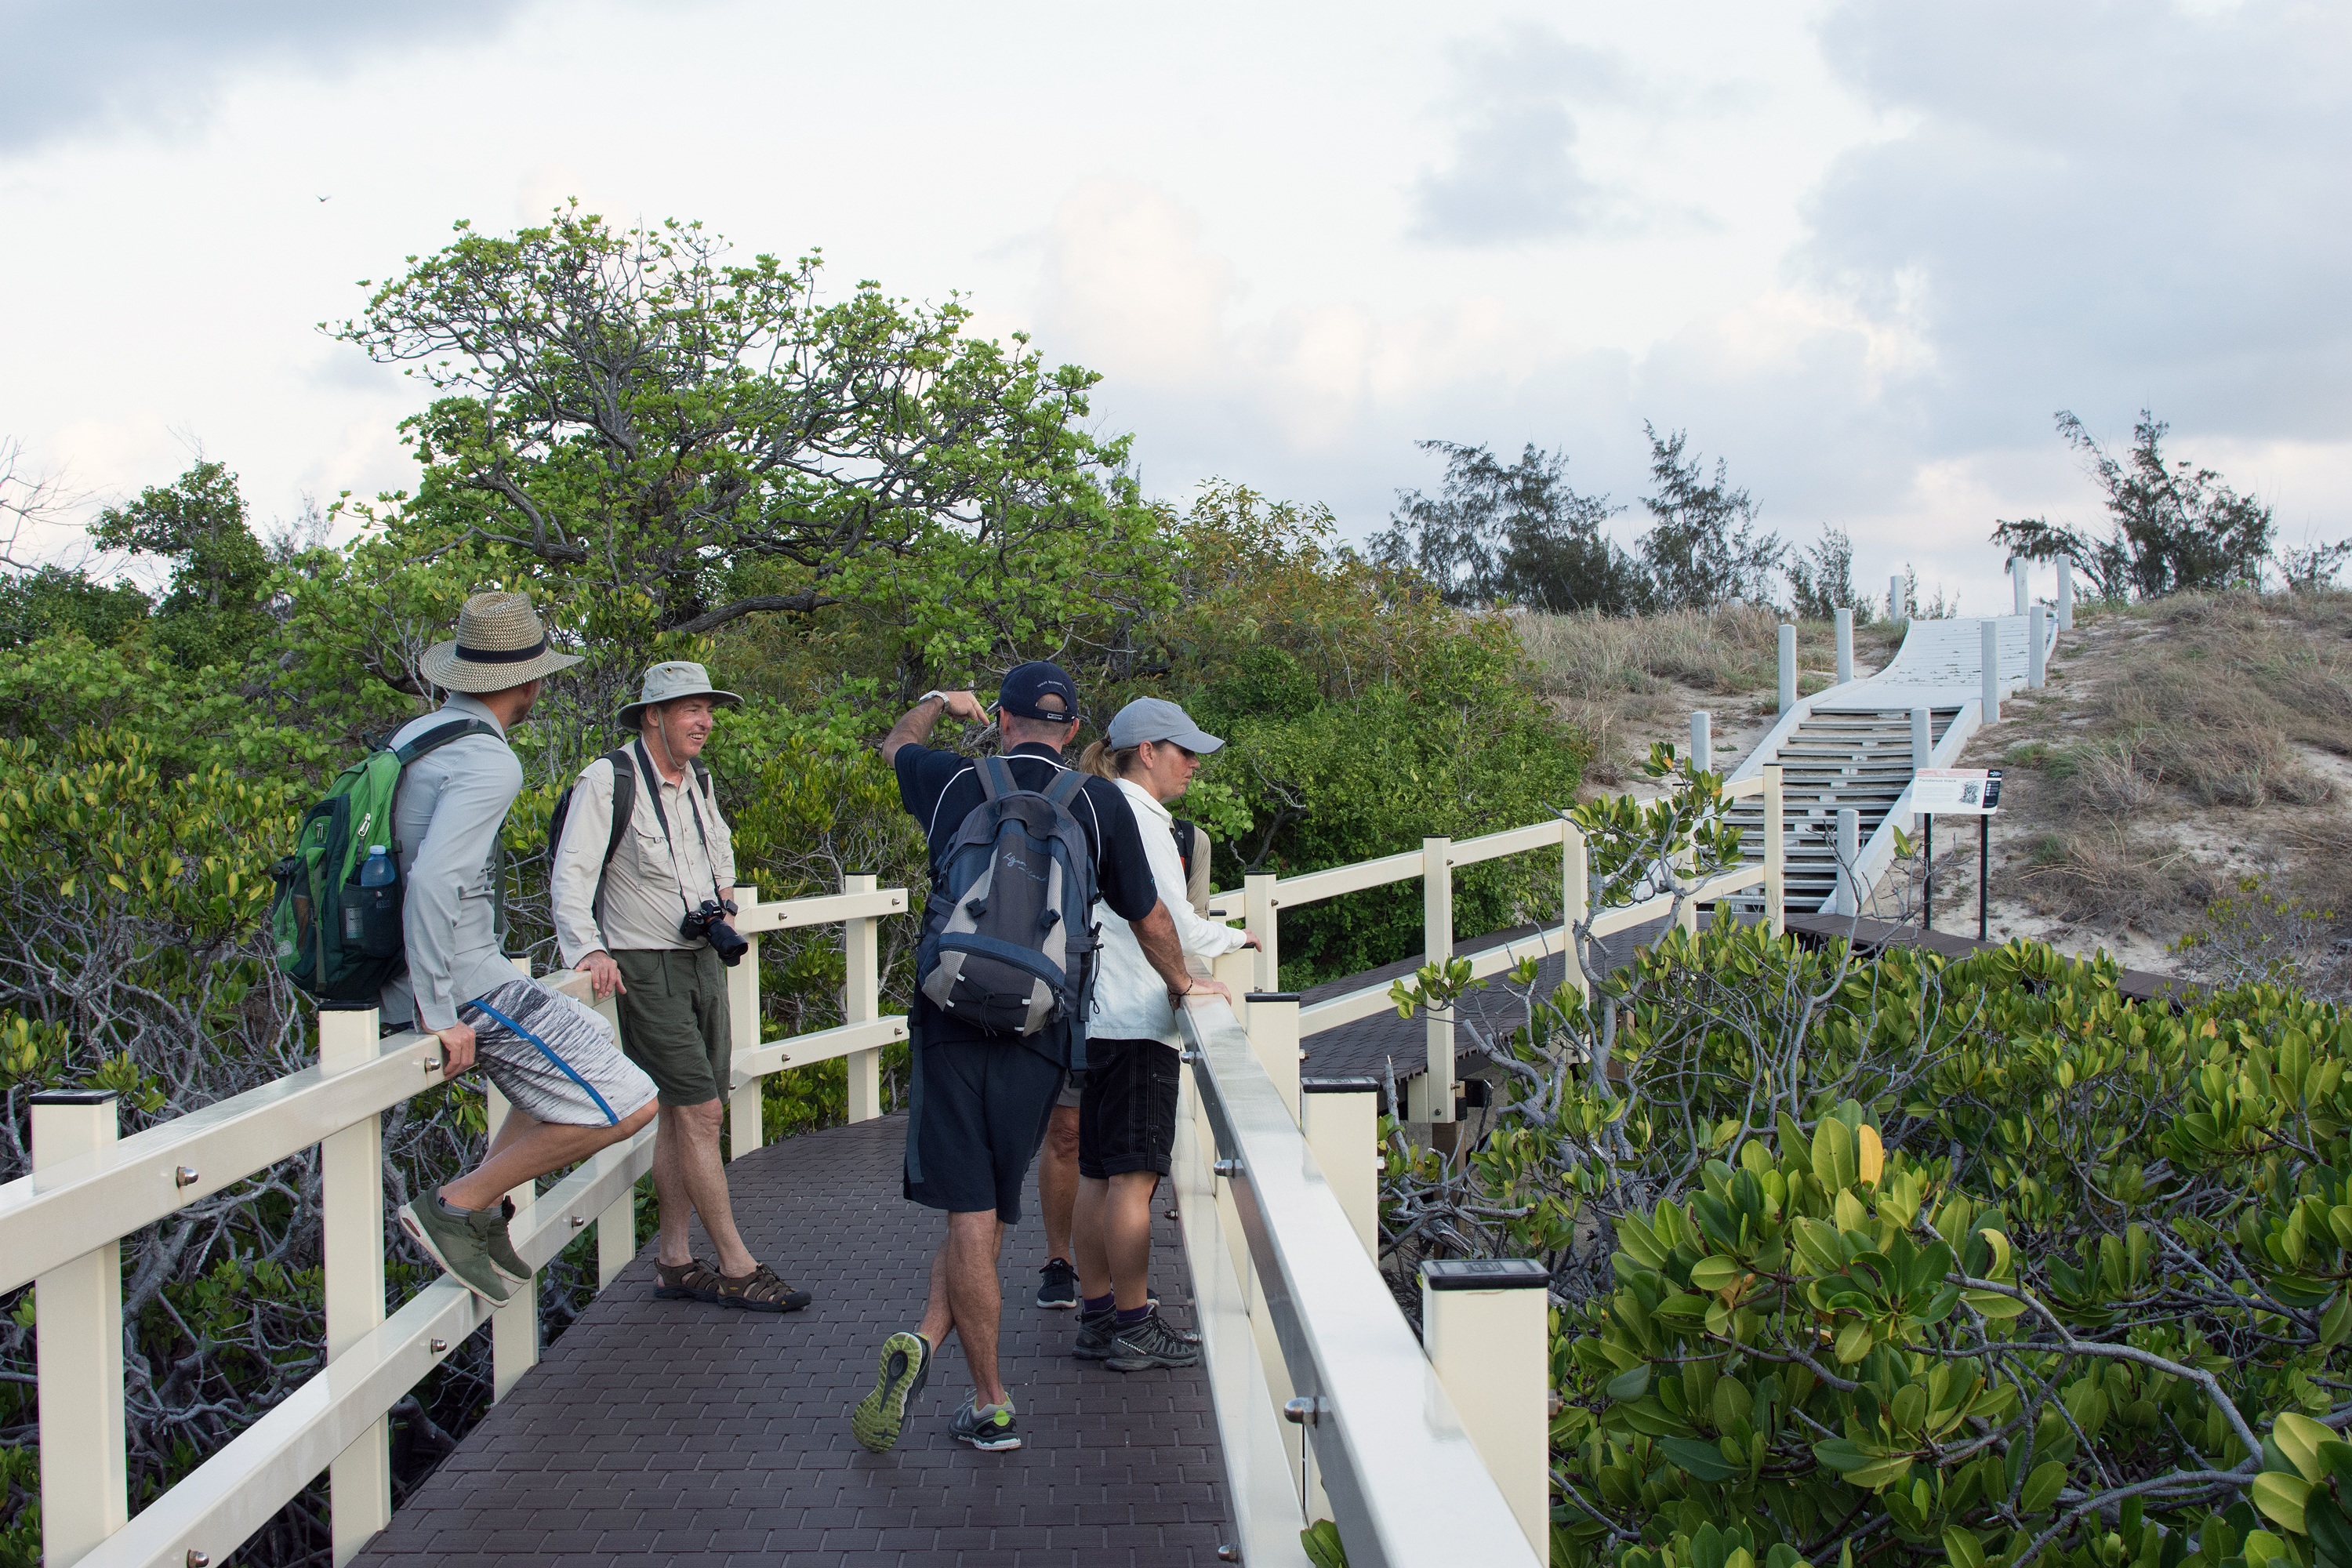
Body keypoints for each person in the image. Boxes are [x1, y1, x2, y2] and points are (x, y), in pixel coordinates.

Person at [853, 662, 1229, 1456]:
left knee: (970, 1210)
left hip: (950, 1018)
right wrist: (1184, 981)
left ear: (1001, 719)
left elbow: (894, 746)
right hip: (1043, 1027)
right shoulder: (1096, 802)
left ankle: (988, 1399)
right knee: (991, 1203)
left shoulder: (953, 783)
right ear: (1074, 730)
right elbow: (1152, 918)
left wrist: (935, 703)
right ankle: (936, 1342)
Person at [388, 592, 659, 1304]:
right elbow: (433, 883)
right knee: (628, 1104)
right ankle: (455, 1207)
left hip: (434, 970)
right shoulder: (487, 761)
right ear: (530, 680)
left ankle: (484, 1209)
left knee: (579, 1055)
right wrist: (437, 1011)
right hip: (463, 983)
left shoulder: (420, 736)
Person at [550, 661, 810, 1313]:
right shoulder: (608, 780)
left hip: (701, 959)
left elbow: (718, 853)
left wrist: (723, 899)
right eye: (691, 709)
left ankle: (672, 1259)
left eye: (708, 709)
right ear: (652, 716)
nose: (705, 721)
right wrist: (588, 949)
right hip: (643, 964)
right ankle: (737, 1265)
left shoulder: (699, 782)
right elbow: (571, 876)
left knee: (681, 1109)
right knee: (702, 1113)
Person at [1071, 699, 1254, 1370]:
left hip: (1091, 1016)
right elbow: (1166, 918)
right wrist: (1231, 944)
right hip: (1135, 1019)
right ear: (1146, 752)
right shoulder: (1143, 821)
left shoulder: (1098, 807)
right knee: (1134, 1178)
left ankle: (1097, 1315)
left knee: (1096, 1173)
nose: (1194, 764)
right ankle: (1133, 1324)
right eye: (1184, 751)